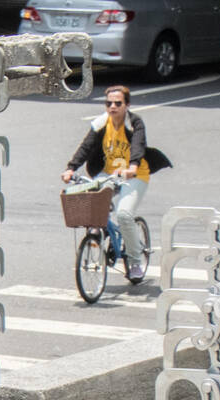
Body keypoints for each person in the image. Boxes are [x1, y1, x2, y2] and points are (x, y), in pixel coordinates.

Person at [61, 85, 171, 282]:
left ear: (127, 105)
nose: (113, 107)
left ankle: (135, 262)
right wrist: (71, 168)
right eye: (109, 103)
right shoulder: (101, 124)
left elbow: (138, 145)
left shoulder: (134, 123)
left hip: (135, 174)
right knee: (92, 205)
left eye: (118, 103)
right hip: (109, 172)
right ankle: (96, 235)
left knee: (123, 214)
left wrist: (133, 167)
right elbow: (86, 147)